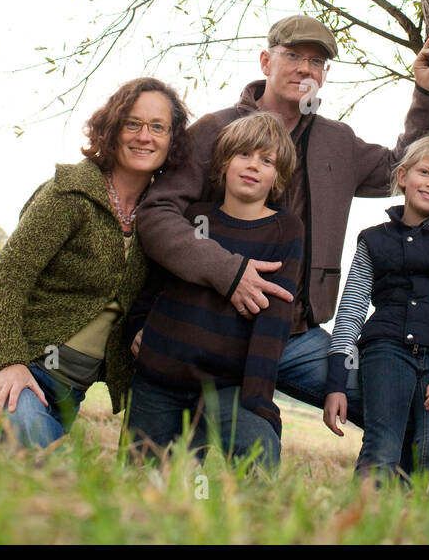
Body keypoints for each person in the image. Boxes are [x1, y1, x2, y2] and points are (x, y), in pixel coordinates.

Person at [135, 14, 429, 432]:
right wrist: (228, 272)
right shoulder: (215, 129)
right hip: (207, 326)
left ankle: (402, 492)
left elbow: (400, 167)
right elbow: (157, 215)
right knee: (183, 453)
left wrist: (424, 93)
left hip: (295, 336)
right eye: (294, 56)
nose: (305, 69)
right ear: (266, 61)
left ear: (325, 75)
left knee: (393, 402)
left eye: (316, 62)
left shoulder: (337, 141)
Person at [0, 77, 190, 448]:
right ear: (113, 128)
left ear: (172, 140)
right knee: (49, 472)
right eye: (133, 123)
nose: (145, 136)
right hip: (2, 367)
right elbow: (6, 277)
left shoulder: (158, 217)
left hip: (65, 394)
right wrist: (9, 361)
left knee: (18, 488)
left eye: (158, 127)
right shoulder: (71, 192)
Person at [126, 113, 302, 468]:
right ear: (223, 163)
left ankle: (251, 518)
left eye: (266, 160)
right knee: (141, 478)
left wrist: (259, 398)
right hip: (158, 375)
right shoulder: (194, 216)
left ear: (278, 176)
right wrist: (136, 326)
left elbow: (276, 318)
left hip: (226, 387)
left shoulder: (285, 230)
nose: (253, 166)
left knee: (259, 452)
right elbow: (153, 280)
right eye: (243, 155)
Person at [322, 135, 429, 480]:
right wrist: (336, 381)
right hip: (386, 351)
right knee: (383, 445)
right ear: (403, 176)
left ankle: (423, 528)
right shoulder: (373, 240)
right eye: (425, 172)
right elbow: (350, 311)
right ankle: (366, 522)